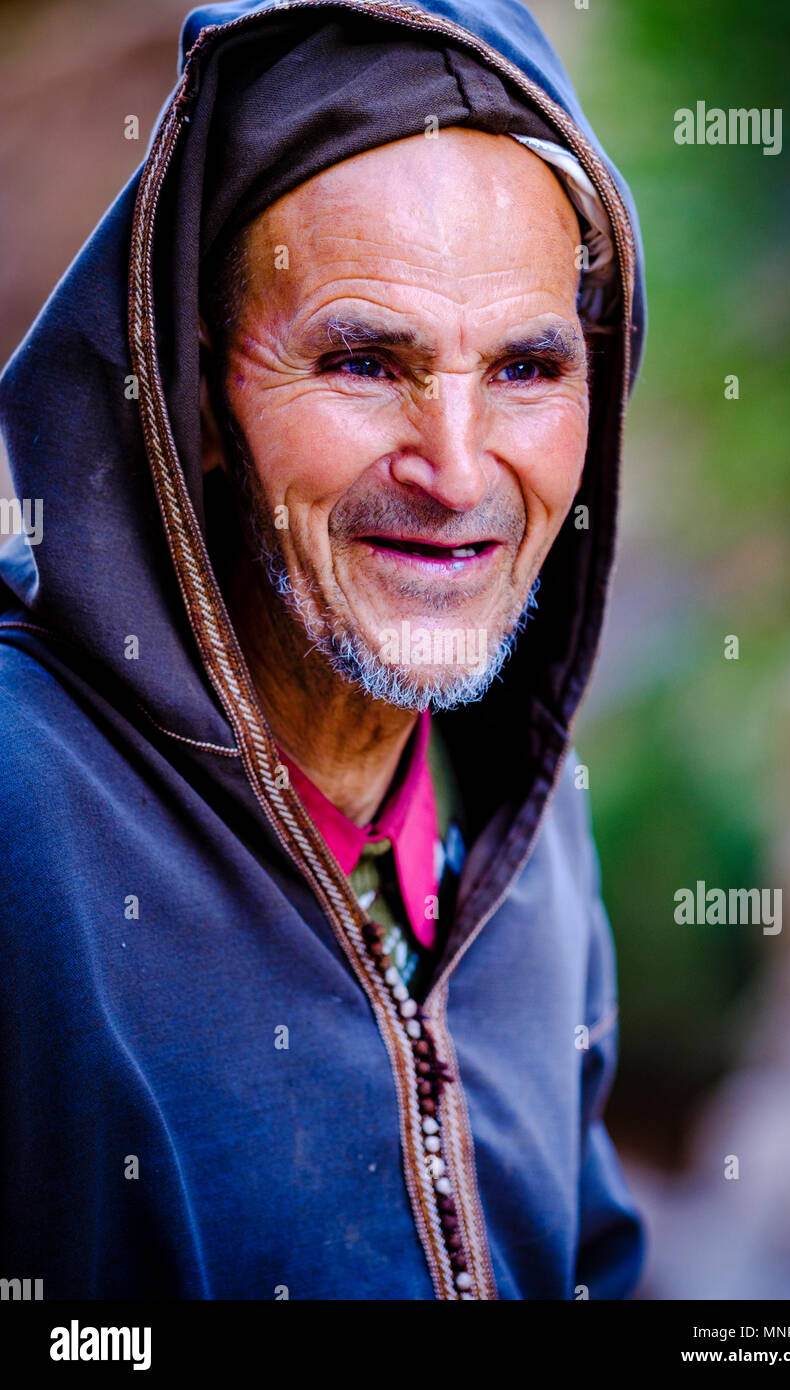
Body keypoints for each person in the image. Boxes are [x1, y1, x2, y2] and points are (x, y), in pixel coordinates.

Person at [0, 0, 646, 1301]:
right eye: (362, 360)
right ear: (198, 394)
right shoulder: (24, 817)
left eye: (526, 369)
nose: (456, 468)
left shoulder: (530, 832)